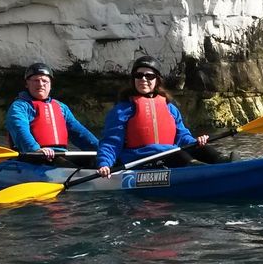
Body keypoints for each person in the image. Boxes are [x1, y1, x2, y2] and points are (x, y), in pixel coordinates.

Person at [96, 55, 230, 177]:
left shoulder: (169, 108)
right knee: (179, 156)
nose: (143, 79)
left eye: (149, 76)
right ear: (133, 79)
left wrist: (196, 142)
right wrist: (104, 163)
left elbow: (182, 137)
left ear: (157, 80)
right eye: (138, 75)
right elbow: (111, 142)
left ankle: (227, 163)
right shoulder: (121, 110)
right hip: (140, 159)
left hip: (169, 154)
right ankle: (203, 174)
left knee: (201, 150)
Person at [5, 62, 99, 166]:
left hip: (60, 154)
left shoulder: (61, 107)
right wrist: (35, 150)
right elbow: (20, 130)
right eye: (36, 80)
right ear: (27, 84)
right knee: (67, 166)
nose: (41, 84)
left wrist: (103, 149)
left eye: (44, 81)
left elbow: (80, 133)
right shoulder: (20, 106)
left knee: (96, 161)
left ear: (50, 85)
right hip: (32, 156)